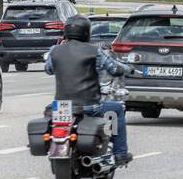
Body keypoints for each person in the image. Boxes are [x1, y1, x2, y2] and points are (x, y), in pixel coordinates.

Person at [44, 15, 133, 164]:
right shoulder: (94, 51)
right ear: (86, 33)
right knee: (116, 109)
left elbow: (48, 69)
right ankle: (120, 154)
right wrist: (127, 69)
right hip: (90, 106)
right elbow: (113, 68)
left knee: (48, 112)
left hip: (62, 107)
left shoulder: (55, 50)